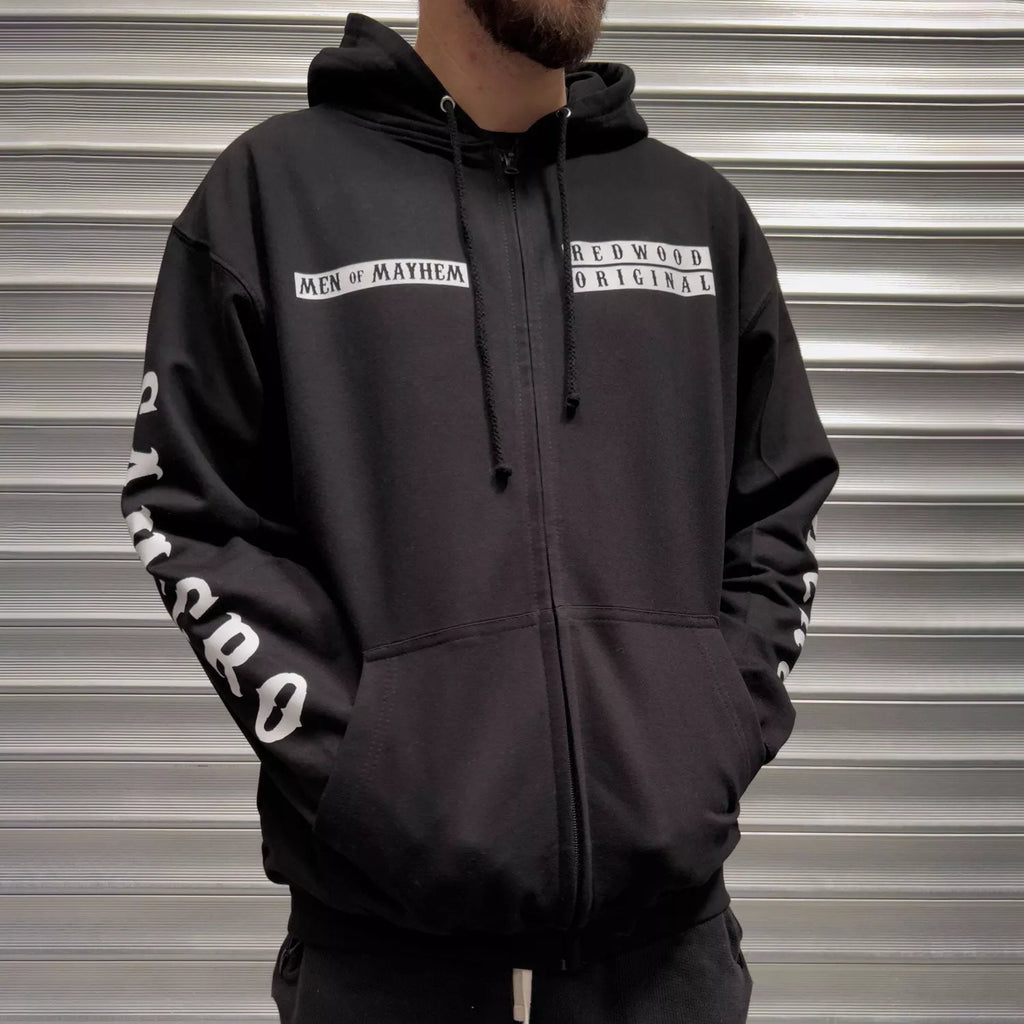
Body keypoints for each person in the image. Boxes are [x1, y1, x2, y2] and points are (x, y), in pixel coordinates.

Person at [119, 0, 840, 1018]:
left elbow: (778, 503)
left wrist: (709, 728)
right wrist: (367, 764)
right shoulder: (272, 198)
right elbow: (193, 512)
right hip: (383, 965)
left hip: (664, 967)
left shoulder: (700, 218)